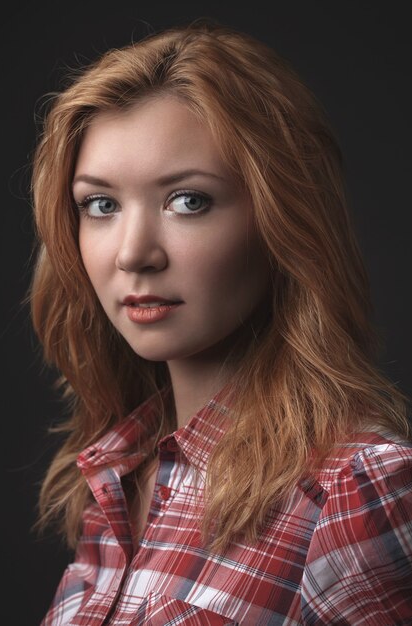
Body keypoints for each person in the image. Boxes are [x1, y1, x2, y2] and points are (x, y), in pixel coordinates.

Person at [29, 19, 412, 625]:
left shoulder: (354, 491)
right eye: (101, 205)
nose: (133, 253)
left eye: (189, 200)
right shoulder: (115, 483)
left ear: (284, 219)